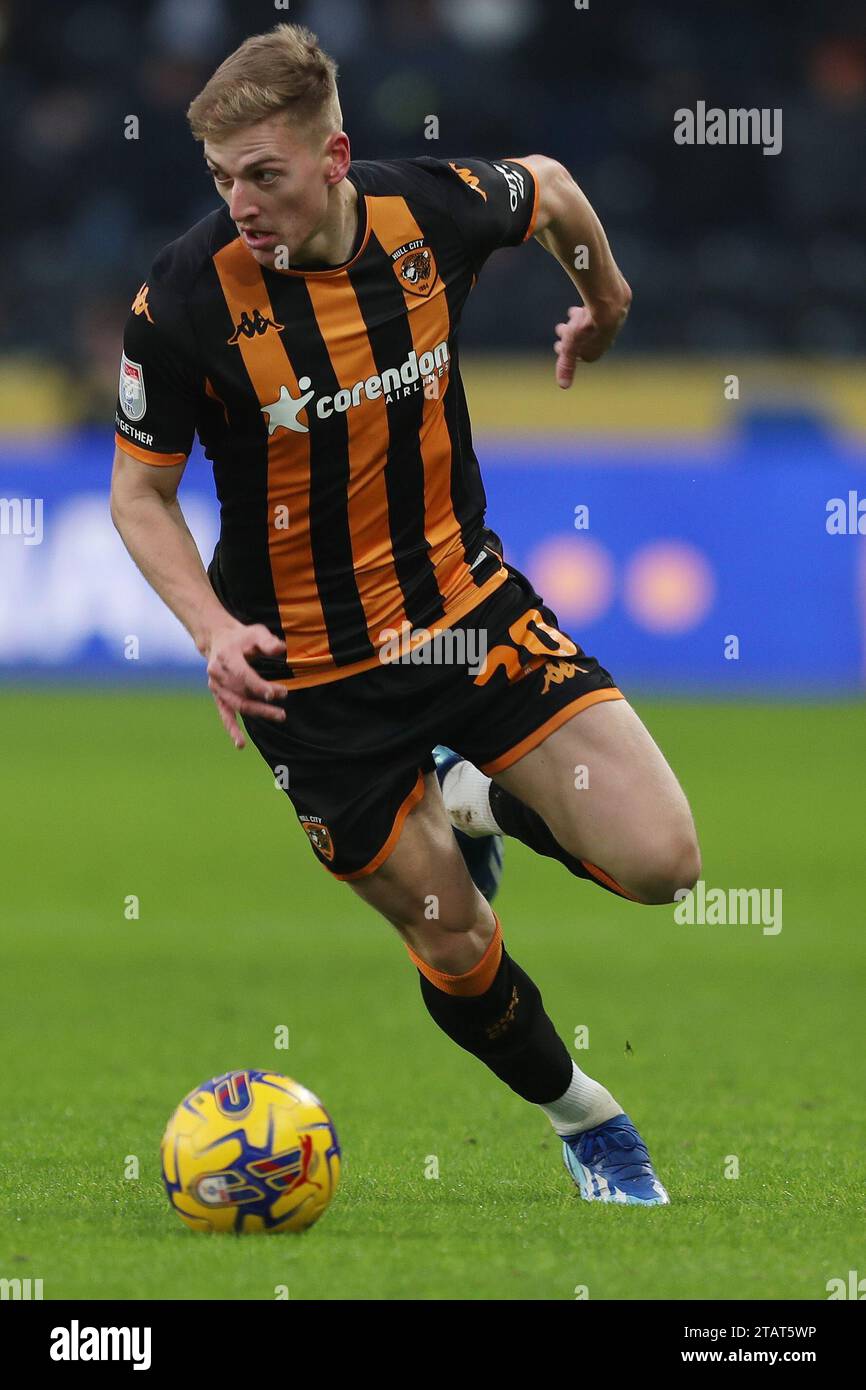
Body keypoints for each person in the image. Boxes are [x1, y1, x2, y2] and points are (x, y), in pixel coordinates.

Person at [110, 22, 700, 1206]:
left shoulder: (425, 213)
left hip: (466, 614)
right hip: (311, 683)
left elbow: (555, 187)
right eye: (221, 179)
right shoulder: (181, 301)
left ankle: (471, 784)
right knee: (455, 940)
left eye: (263, 175)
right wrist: (211, 633)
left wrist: (608, 301)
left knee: (663, 864)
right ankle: (587, 1119)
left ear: (335, 156)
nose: (240, 205)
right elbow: (140, 492)